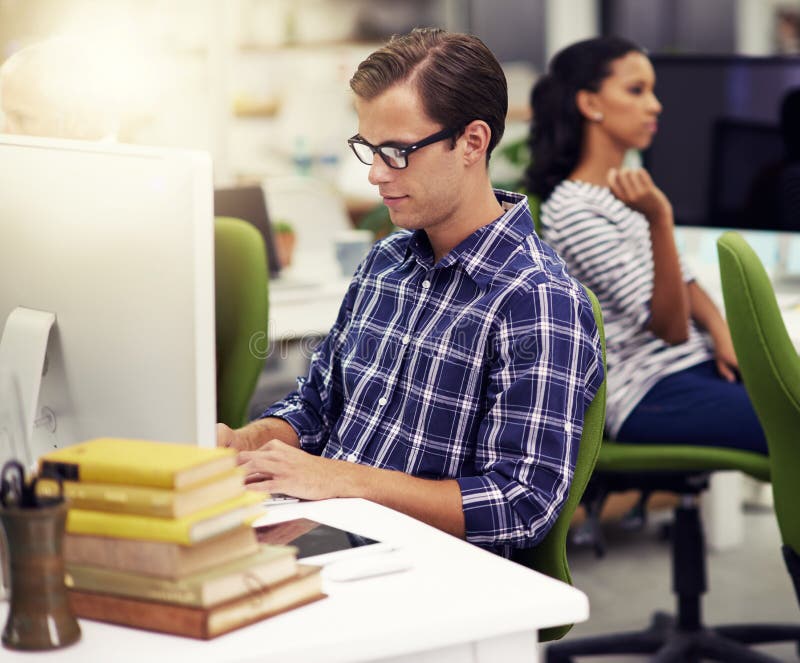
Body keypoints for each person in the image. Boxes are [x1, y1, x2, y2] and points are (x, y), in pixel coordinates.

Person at [218, 28, 604, 557]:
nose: (376, 174)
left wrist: (337, 480)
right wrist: (248, 442)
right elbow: (316, 407)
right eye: (368, 149)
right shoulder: (386, 263)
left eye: (398, 151)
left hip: (431, 566)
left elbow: (519, 505)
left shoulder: (536, 299)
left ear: (472, 142)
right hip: (336, 527)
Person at [526, 36, 767, 454]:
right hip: (648, 392)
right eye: (636, 90)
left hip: (692, 369)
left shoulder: (625, 192)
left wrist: (721, 332)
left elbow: (684, 278)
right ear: (591, 104)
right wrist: (660, 219)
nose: (655, 105)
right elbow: (671, 329)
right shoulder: (575, 209)